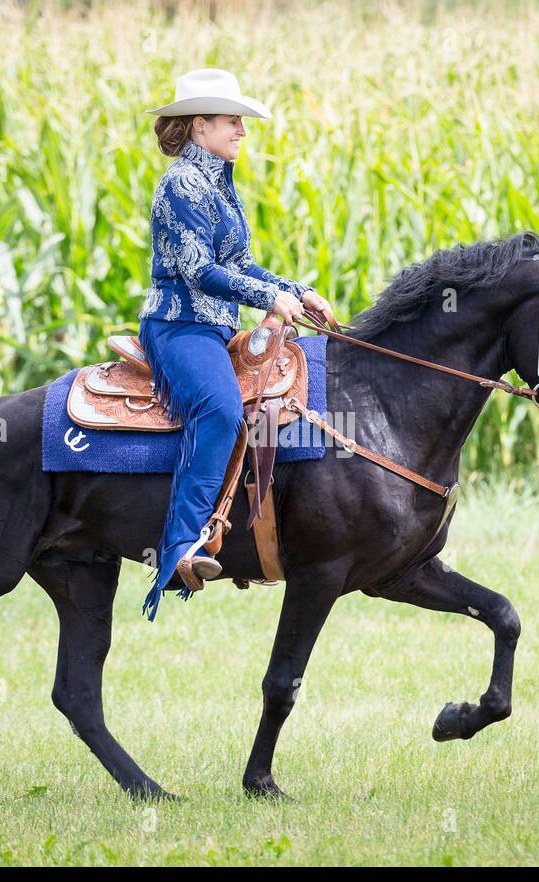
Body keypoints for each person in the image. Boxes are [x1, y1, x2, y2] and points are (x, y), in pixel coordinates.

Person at [137, 68, 335, 621]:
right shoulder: (182, 184)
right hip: (180, 326)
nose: (242, 131)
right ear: (200, 127)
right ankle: (180, 548)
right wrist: (270, 302)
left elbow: (240, 265)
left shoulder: (219, 181)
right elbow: (201, 272)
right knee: (222, 412)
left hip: (215, 327)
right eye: (232, 121)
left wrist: (298, 291)